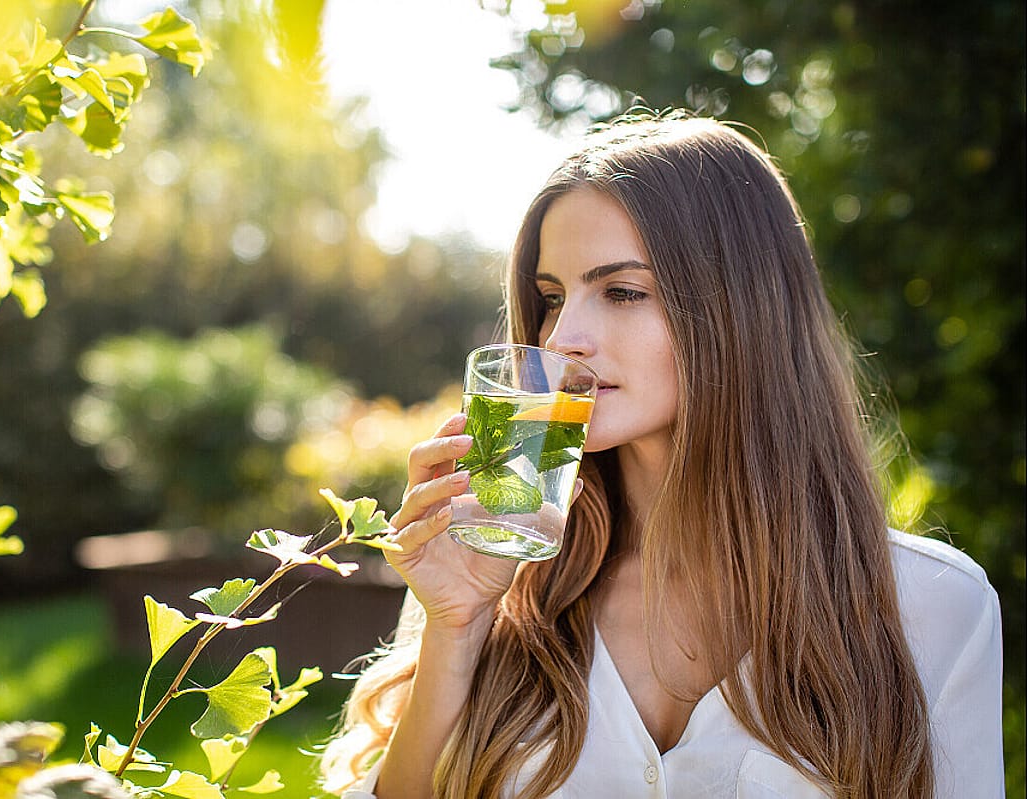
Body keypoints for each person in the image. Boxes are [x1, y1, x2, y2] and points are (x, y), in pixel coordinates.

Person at [319, 111, 1004, 798]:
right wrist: (457, 627)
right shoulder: (493, 575)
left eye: (622, 292)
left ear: (741, 308)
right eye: (552, 297)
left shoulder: (934, 605)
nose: (561, 337)